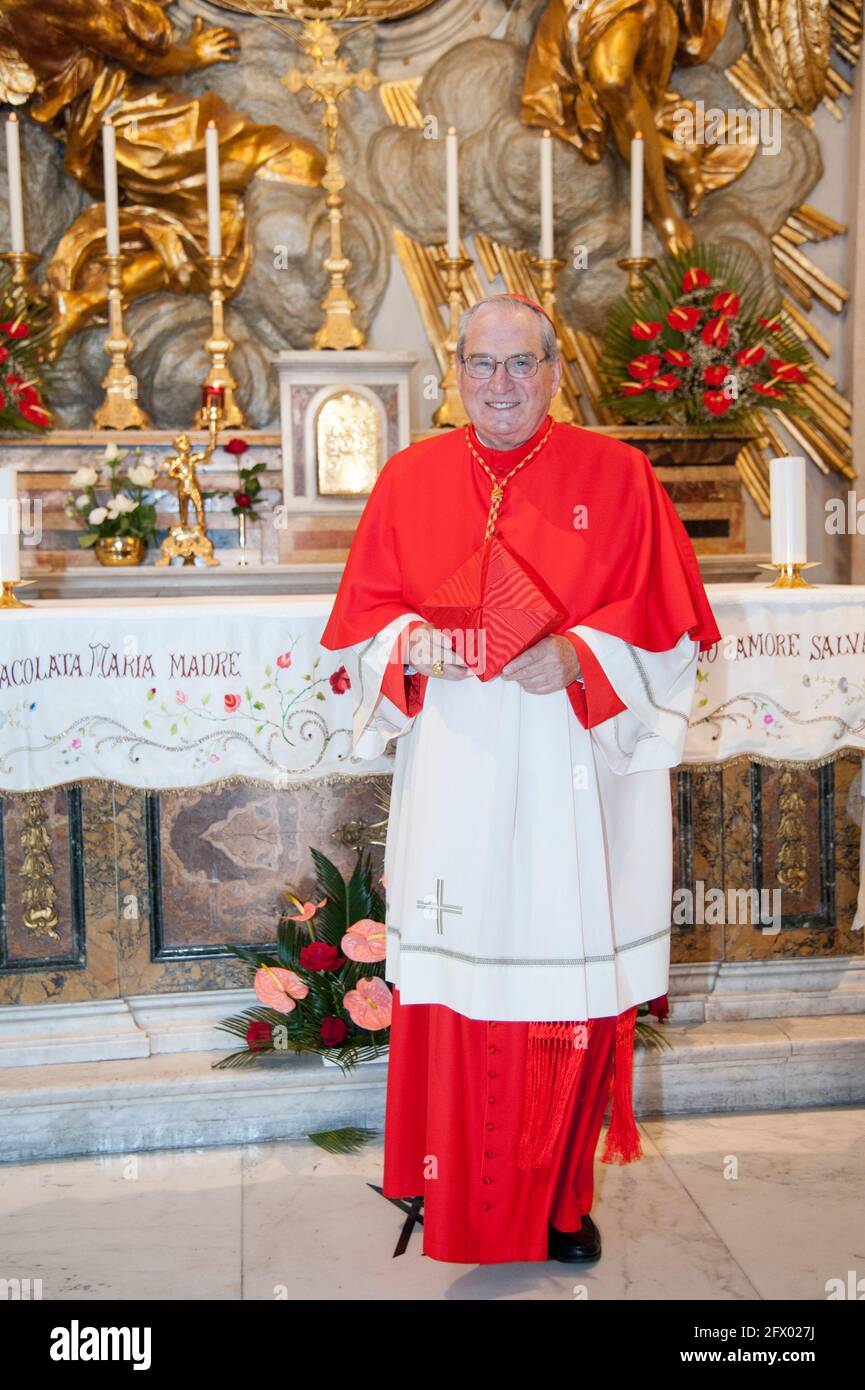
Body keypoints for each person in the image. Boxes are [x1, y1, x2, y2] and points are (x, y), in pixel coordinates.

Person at [319, 292, 721, 1265]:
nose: (500, 386)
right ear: (454, 374)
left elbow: (677, 634)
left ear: (553, 372)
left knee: (564, 997)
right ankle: (449, 1194)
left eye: (521, 365)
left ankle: (559, 1200)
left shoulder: (618, 478)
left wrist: (583, 655)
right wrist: (412, 644)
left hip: (573, 782)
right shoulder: (409, 478)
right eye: (481, 365)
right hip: (456, 775)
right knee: (457, 996)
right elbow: (349, 640)